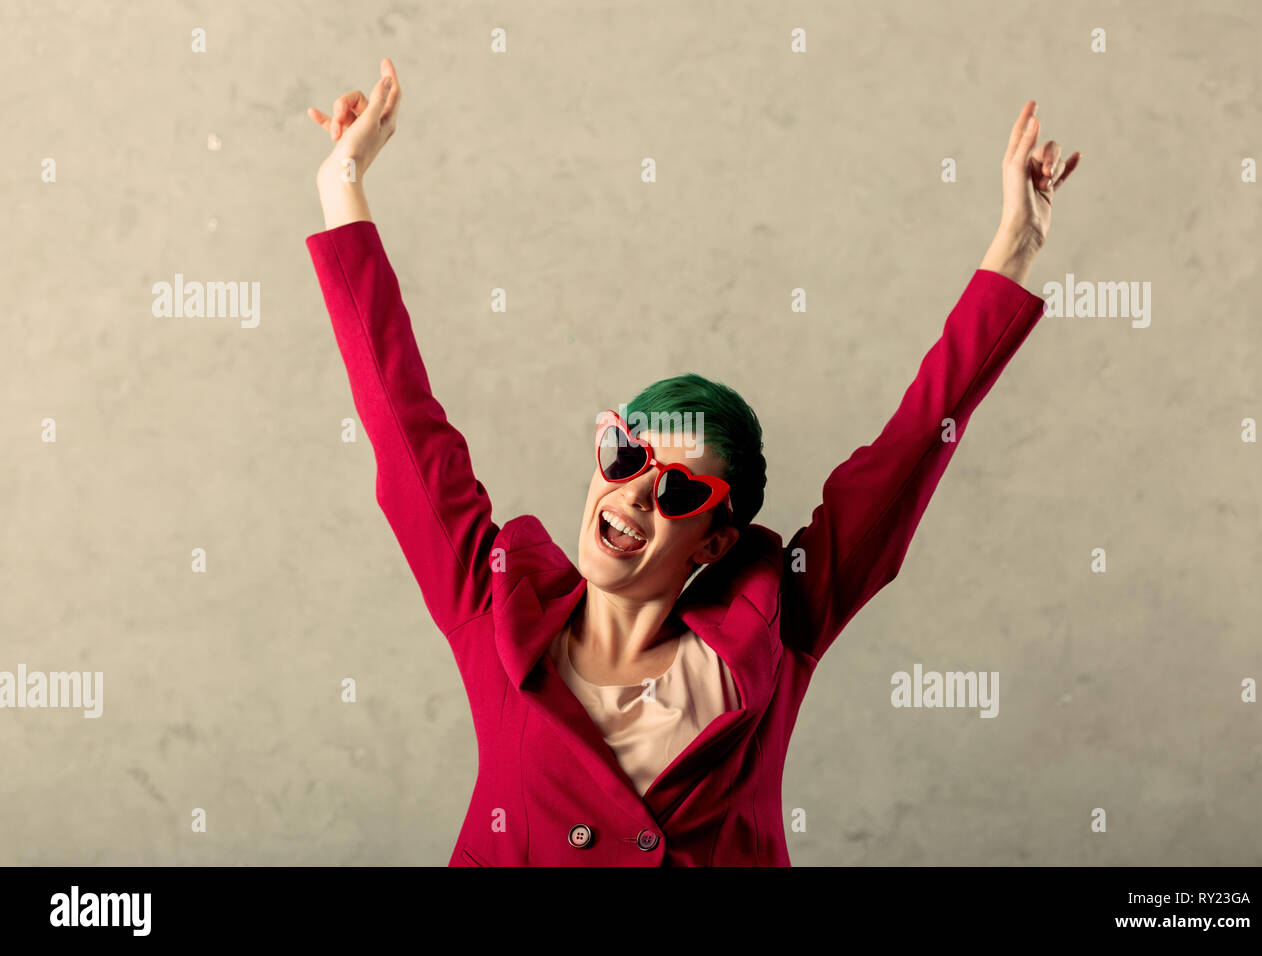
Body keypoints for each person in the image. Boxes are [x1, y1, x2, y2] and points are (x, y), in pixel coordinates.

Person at [304, 59, 1081, 865]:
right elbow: (402, 421)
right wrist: (343, 178)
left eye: (675, 488)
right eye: (624, 453)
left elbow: (907, 450)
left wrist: (1015, 246)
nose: (633, 492)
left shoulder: (776, 628)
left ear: (714, 541)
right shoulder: (495, 603)